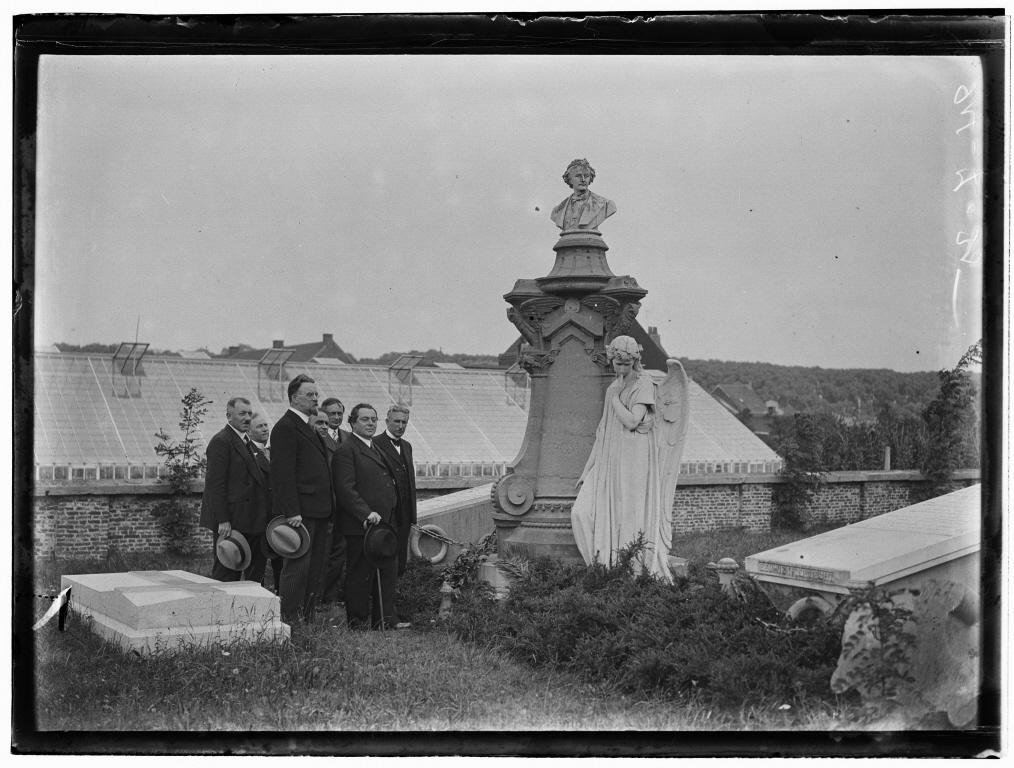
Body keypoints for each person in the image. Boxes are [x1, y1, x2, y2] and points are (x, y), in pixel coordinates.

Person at [570, 336, 689, 583]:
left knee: (629, 518)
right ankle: (602, 568)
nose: (621, 368)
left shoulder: (643, 385)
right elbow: (602, 432)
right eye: (617, 363)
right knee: (580, 513)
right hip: (608, 461)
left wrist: (614, 398)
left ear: (635, 361)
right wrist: (586, 470)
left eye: (626, 364)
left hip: (633, 463)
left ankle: (626, 573)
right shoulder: (613, 387)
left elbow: (633, 421)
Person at [270, 374, 334, 623]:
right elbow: (282, 474)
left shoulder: (308, 426)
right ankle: (288, 619)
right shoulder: (286, 427)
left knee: (313, 568)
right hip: (301, 514)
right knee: (297, 567)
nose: (315, 398)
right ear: (294, 397)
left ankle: (306, 617)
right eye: (310, 395)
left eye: (316, 394)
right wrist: (292, 510)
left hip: (317, 510)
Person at [333, 403, 400, 630]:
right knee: (360, 575)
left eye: (373, 419)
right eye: (364, 419)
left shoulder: (375, 447)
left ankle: (383, 621)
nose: (370, 423)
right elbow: (345, 489)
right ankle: (357, 623)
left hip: (383, 526)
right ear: (352, 423)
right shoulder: (347, 450)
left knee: (385, 573)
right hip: (362, 526)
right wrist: (365, 512)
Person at [199, 397, 269, 583]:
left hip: (252, 518)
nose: (247, 418)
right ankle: (223, 611)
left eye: (249, 413)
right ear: (229, 416)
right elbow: (215, 484)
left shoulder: (246, 441)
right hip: (232, 520)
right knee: (228, 571)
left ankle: (251, 610)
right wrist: (223, 520)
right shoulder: (221, 441)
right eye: (242, 414)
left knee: (254, 571)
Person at [373, 404, 417, 581]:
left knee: (400, 560)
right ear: (387, 421)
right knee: (385, 558)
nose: (401, 426)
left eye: (404, 422)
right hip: (386, 514)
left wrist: (412, 516)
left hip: (404, 515)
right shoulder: (375, 443)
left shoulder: (407, 446)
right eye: (397, 421)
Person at [319, 397, 349, 609]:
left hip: (345, 506)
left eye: (339, 413)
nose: (336, 417)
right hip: (324, 504)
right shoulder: (317, 436)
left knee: (339, 552)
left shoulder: (348, 437)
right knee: (322, 552)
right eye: (332, 414)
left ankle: (330, 596)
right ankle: (317, 597)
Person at [248, 412, 280, 593]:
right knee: (256, 563)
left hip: (277, 518)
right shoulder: (248, 452)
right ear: (250, 432)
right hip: (258, 519)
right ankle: (255, 598)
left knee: (280, 561)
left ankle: (281, 599)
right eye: (259, 426)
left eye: (266, 425)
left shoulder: (276, 451)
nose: (265, 429)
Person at [550, 158, 617, 231]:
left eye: (586, 176)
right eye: (578, 176)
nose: (583, 179)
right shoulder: (557, 210)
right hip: (568, 240)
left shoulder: (605, 204)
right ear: (569, 179)